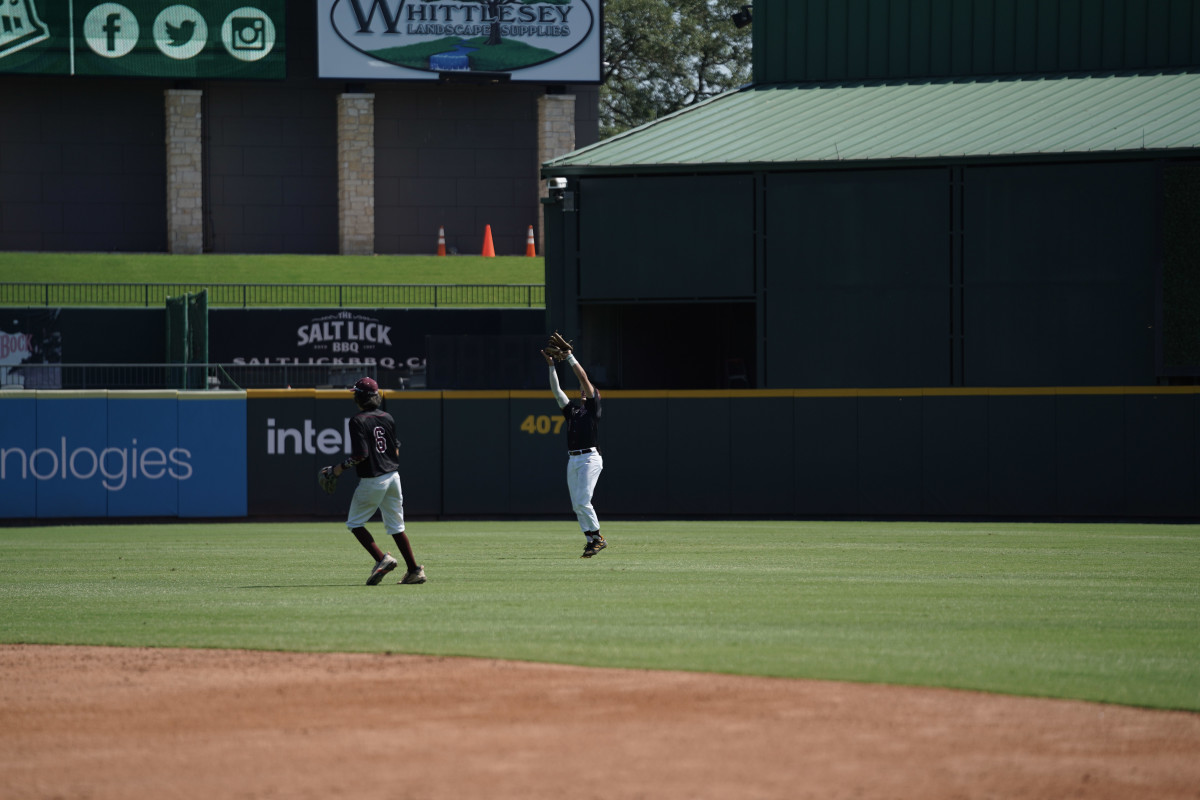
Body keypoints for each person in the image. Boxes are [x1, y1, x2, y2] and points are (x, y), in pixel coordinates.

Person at [326, 377, 426, 586]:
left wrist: (337, 469)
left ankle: (382, 559)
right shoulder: (387, 417)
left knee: (354, 523)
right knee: (397, 527)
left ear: (359, 397)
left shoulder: (358, 420)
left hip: (374, 479)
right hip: (393, 477)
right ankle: (414, 570)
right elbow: (396, 449)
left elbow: (360, 454)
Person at [541, 338, 606, 558]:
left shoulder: (593, 408)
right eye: (581, 389)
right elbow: (556, 391)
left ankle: (599, 538)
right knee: (576, 505)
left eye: (587, 389)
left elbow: (583, 377)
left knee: (583, 500)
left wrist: (569, 357)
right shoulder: (573, 411)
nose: (583, 389)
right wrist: (551, 366)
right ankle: (590, 540)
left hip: (590, 458)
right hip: (574, 459)